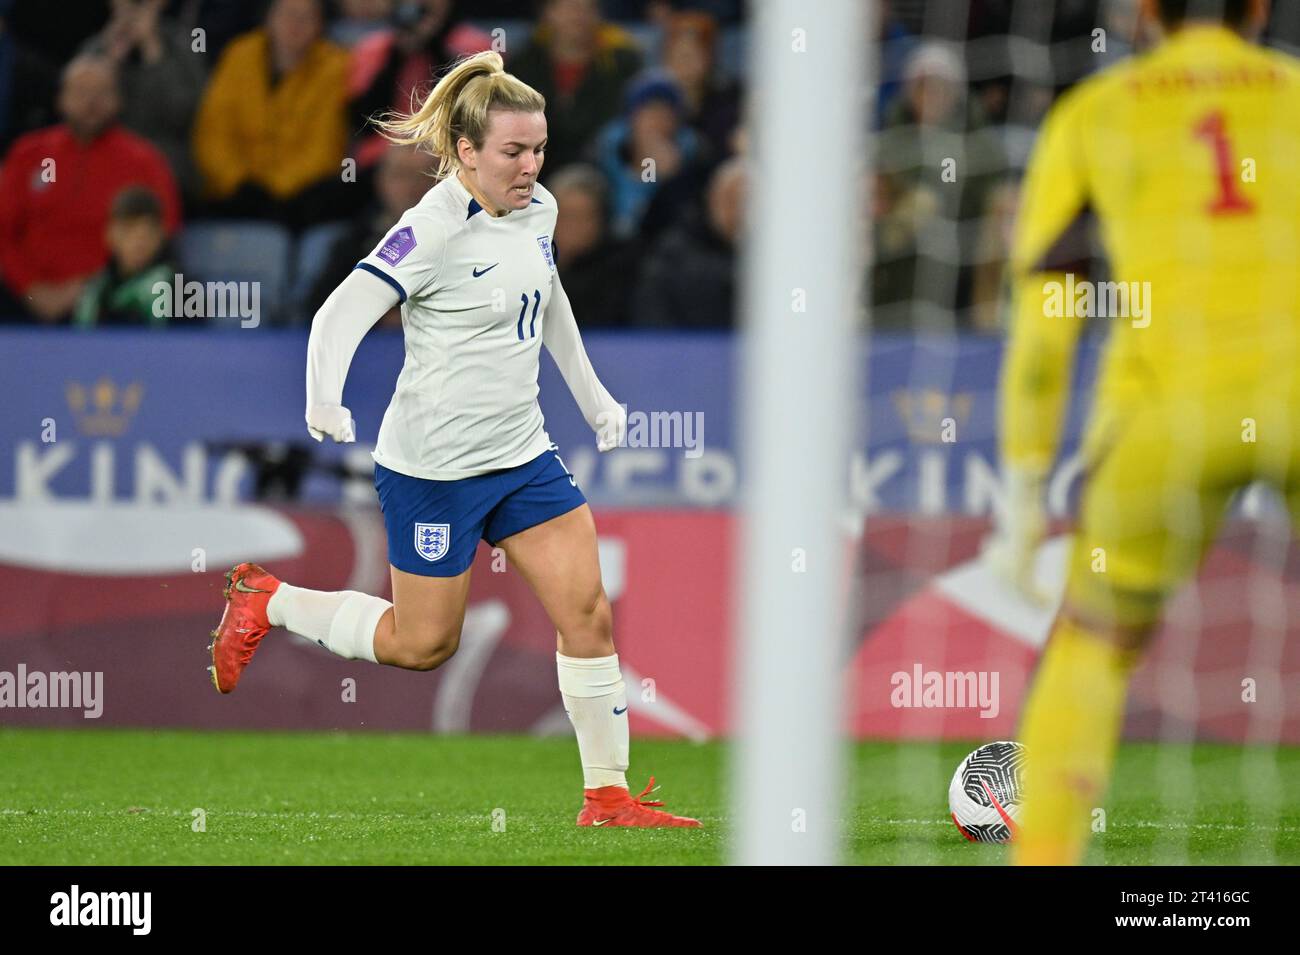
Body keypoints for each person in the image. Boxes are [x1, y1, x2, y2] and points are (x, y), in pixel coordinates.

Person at [208, 51, 700, 829]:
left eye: (538, 148)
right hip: (433, 469)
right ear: (467, 152)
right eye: (513, 151)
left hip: (523, 456)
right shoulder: (428, 229)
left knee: (589, 612)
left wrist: (596, 396)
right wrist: (323, 399)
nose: (530, 165)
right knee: (422, 643)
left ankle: (606, 796)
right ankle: (272, 600)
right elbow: (340, 313)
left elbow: (550, 300)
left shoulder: (537, 209)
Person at [988, 0, 1297, 865]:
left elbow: (1047, 339)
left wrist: (1021, 497)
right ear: (1261, 8)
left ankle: (1046, 854)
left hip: (1166, 408)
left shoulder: (1096, 111)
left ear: (1143, 12)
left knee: (1093, 641)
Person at [0, 53, 180, 323]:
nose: (91, 102)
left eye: (102, 92)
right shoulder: (29, 154)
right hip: (25, 294)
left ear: (118, 100)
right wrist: (32, 289)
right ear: (61, 99)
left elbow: (163, 230)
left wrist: (91, 287)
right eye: (81, 92)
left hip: (109, 298)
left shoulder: (143, 161)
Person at [190, 0, 352, 229]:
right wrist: (238, 182)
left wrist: (275, 189)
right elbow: (213, 134)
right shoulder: (239, 54)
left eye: (306, 17)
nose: (295, 24)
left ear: (320, 24)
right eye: (287, 14)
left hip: (297, 199)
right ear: (269, 17)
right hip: (234, 192)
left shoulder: (335, 67)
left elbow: (325, 148)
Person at [74, 186, 175, 327]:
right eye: (128, 230)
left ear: (161, 235)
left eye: (148, 232)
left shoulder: (177, 290)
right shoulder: (95, 290)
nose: (138, 241)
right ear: (110, 234)